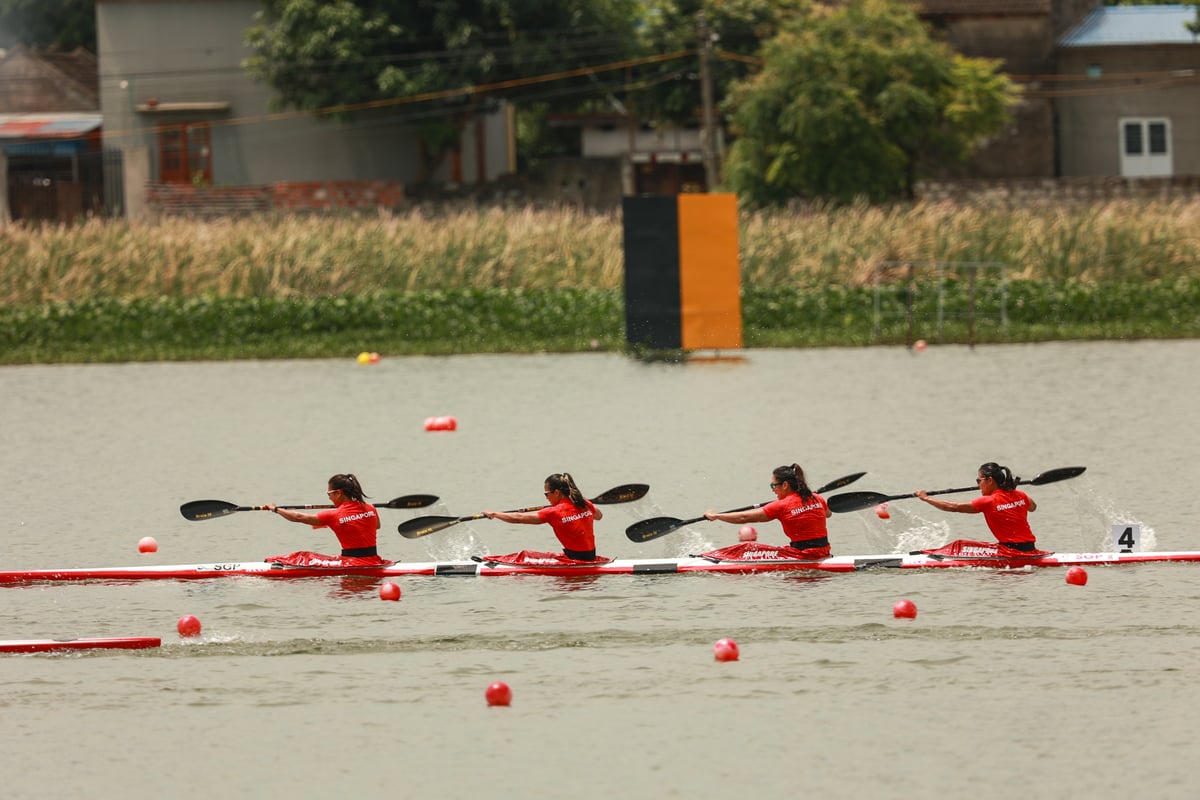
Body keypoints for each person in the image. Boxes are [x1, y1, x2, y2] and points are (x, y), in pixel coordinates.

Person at [704, 463, 832, 557]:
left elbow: (744, 518)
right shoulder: (817, 498)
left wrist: (717, 516)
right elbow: (828, 514)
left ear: (785, 485)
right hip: (824, 551)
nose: (773, 490)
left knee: (748, 547)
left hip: (803, 555)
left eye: (773, 485)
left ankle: (708, 558)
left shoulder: (781, 505)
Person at [265, 473, 386, 565]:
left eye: (329, 493)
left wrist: (275, 509)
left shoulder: (333, 515)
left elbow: (298, 517)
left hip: (352, 563)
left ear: (338, 493)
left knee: (302, 556)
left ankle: (269, 563)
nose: (329, 498)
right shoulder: (371, 507)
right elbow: (376, 526)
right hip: (375, 560)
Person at [915, 462, 1038, 551]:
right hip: (1030, 548)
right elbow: (1033, 507)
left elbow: (953, 507)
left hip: (1010, 552)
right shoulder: (1021, 495)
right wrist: (1012, 493)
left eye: (979, 481)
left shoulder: (988, 501)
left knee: (959, 546)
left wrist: (926, 498)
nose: (978, 485)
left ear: (990, 481)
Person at [483, 473, 603, 561]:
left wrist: (495, 514)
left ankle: (487, 561)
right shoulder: (585, 503)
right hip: (591, 556)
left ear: (556, 492)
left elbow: (518, 518)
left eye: (547, 494)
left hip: (575, 560)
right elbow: (599, 516)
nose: (546, 498)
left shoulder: (553, 512)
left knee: (524, 555)